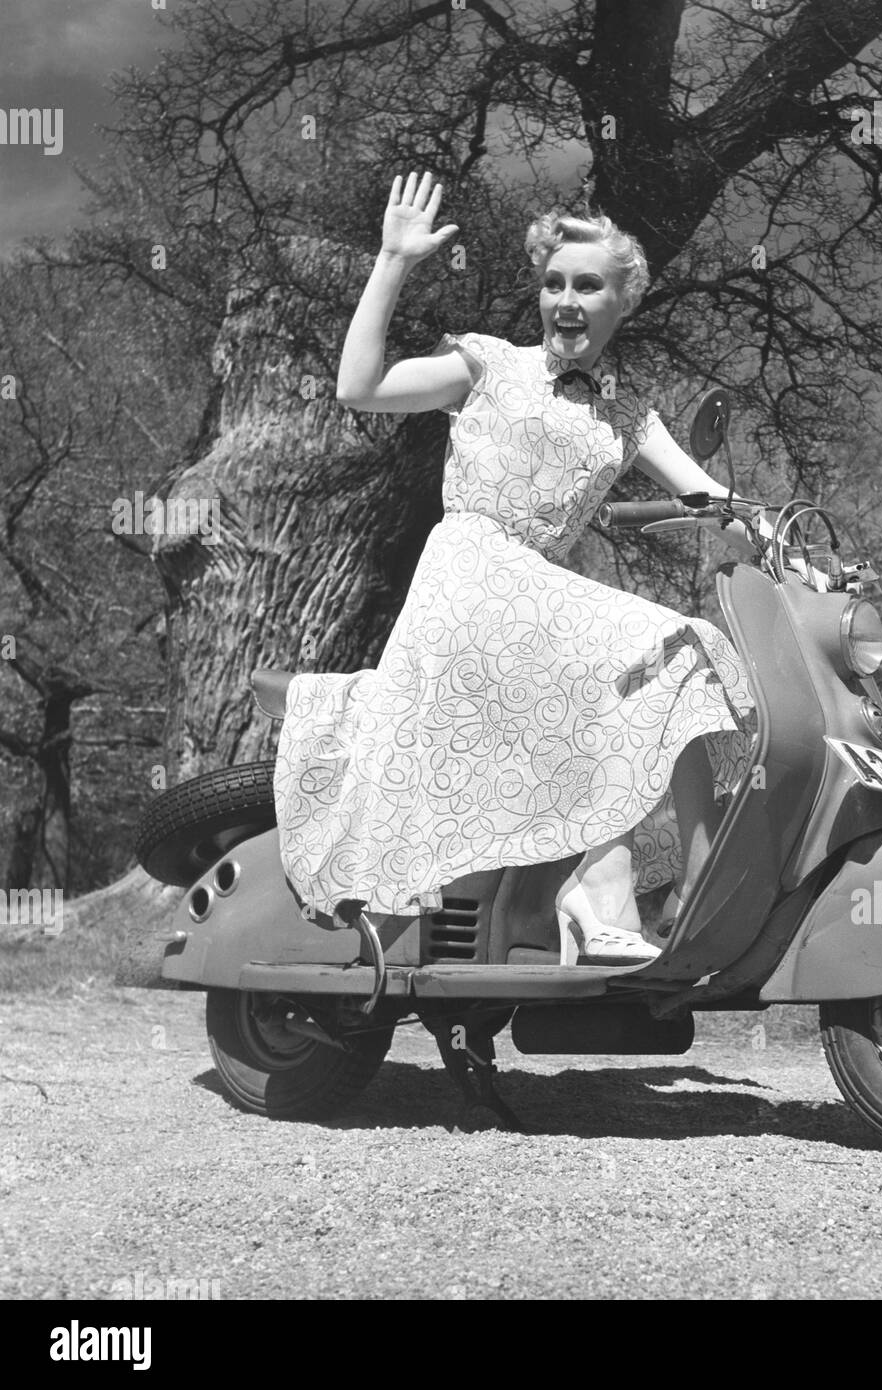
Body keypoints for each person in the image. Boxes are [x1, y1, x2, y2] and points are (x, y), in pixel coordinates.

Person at [272, 170, 763, 964]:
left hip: (535, 592)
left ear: (623, 300)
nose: (567, 300)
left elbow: (710, 493)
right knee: (675, 637)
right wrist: (393, 260)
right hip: (469, 577)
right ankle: (615, 886)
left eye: (588, 286)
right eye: (554, 284)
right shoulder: (487, 364)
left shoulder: (629, 412)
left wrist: (779, 529)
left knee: (676, 662)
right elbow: (358, 387)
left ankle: (666, 888)